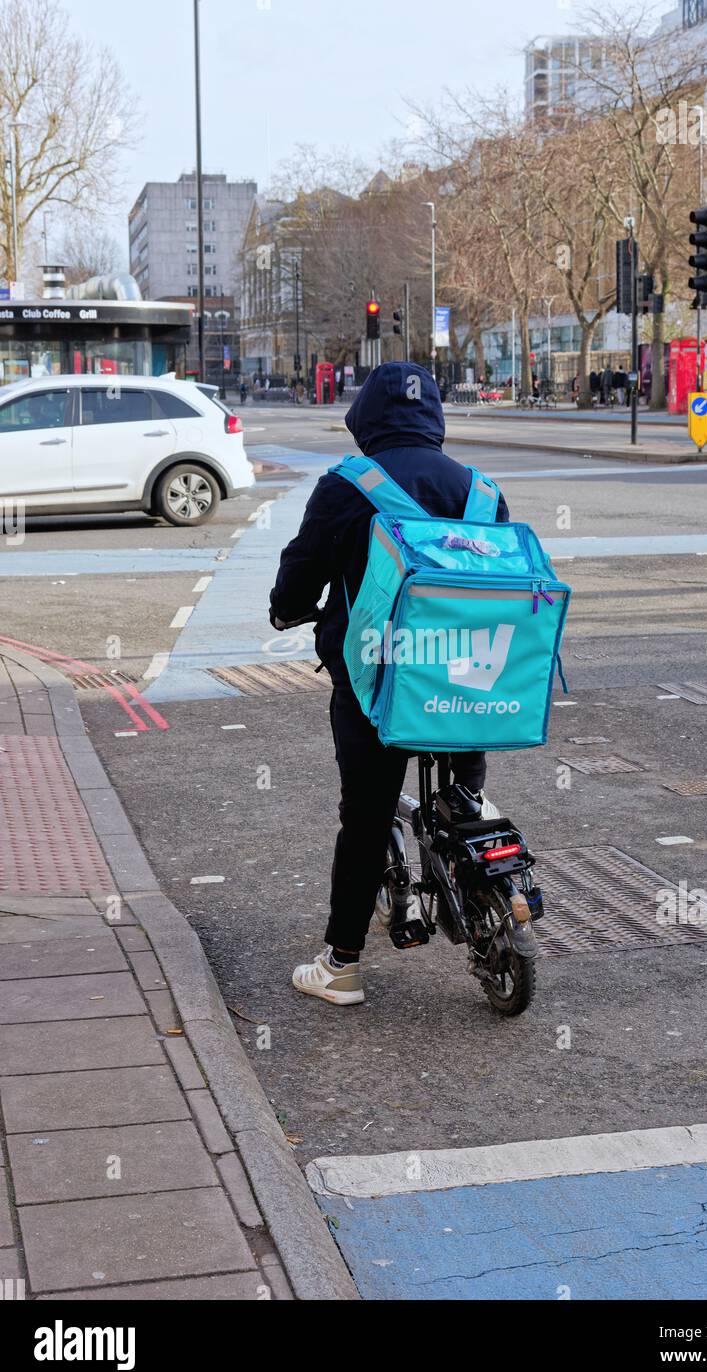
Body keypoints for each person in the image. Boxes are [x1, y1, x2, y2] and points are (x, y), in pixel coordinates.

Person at [269, 362, 508, 1005]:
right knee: (465, 789)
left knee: (366, 817)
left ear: (365, 419)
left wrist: (286, 609)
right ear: (434, 416)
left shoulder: (348, 486)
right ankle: (482, 859)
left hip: (376, 683)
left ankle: (342, 964)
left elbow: (303, 566)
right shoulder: (480, 491)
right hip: (465, 677)